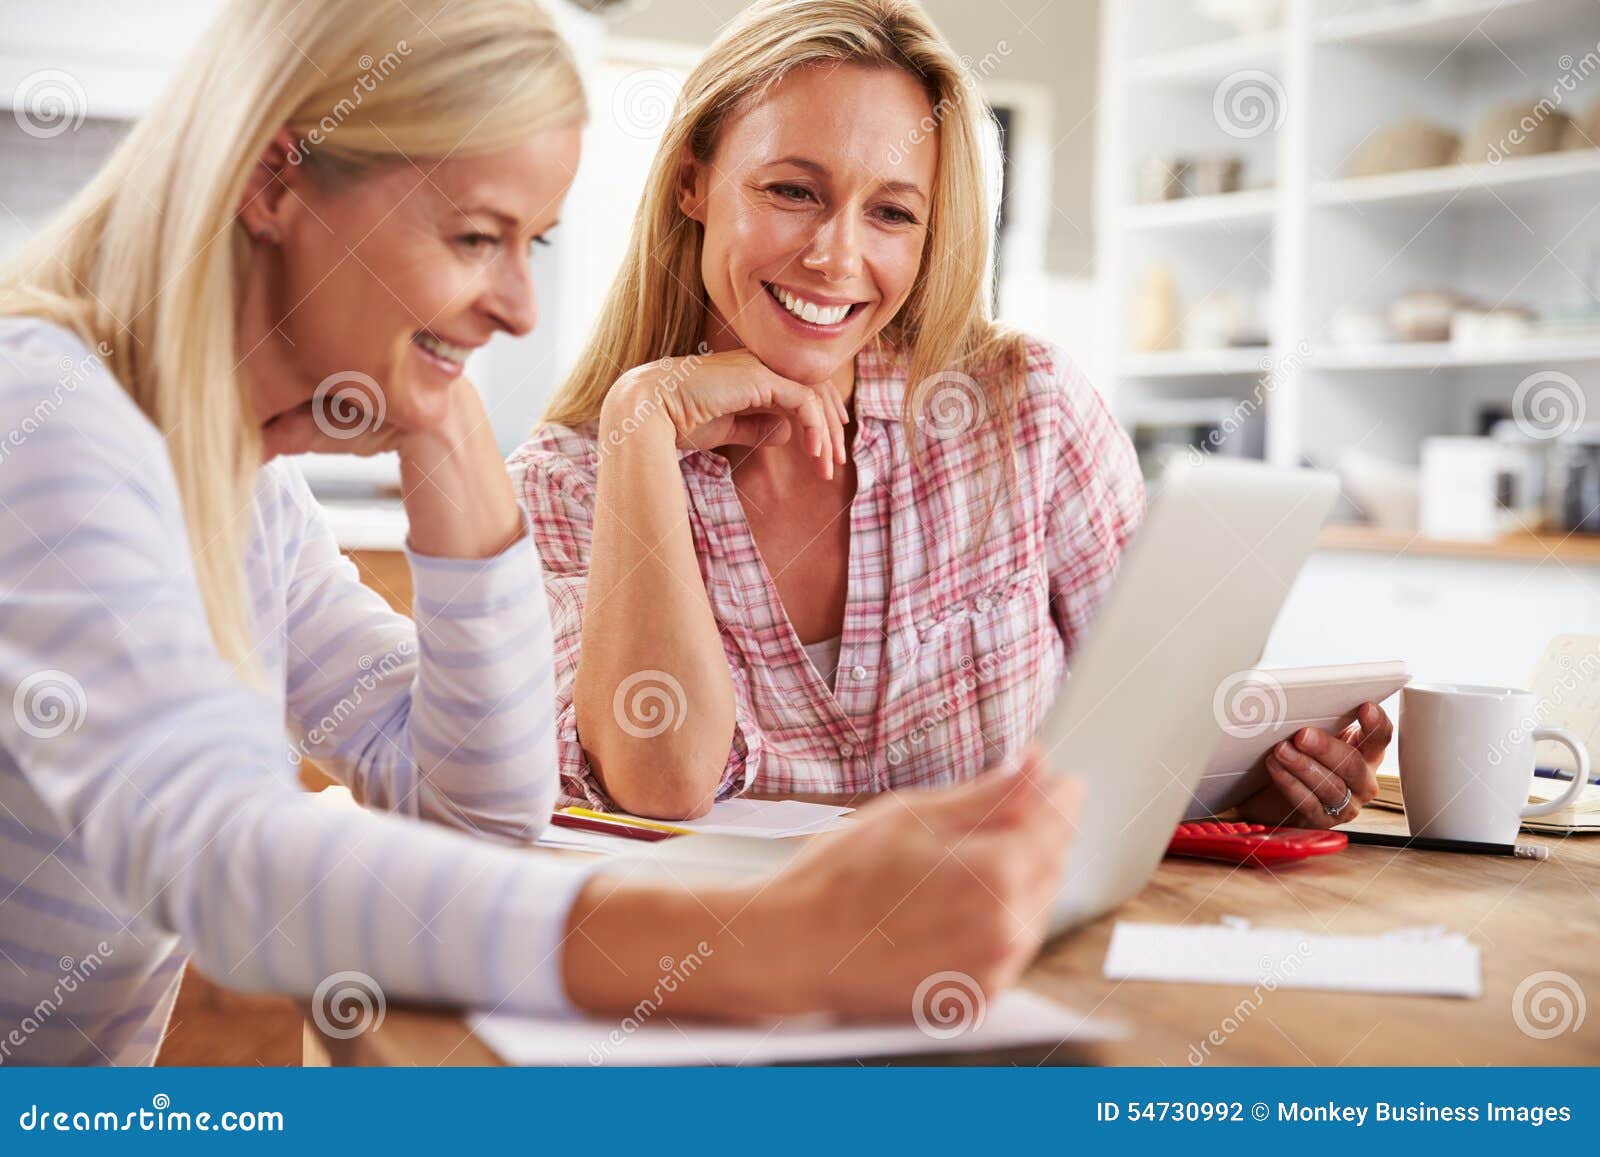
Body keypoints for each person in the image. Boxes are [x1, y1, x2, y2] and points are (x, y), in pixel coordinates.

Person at [0, 0, 1077, 1066]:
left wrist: (444, 427)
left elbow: (469, 801)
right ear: (275, 181)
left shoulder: (236, 482)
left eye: (532, 243)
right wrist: (764, 943)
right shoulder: (46, 416)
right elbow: (223, 857)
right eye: (476, 238)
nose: (518, 306)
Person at [511, 0, 1395, 825]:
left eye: (892, 212)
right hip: (726, 976)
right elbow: (656, 786)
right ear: (692, 184)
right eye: (791, 191)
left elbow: (1155, 744)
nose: (836, 256)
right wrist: (640, 425)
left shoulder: (1027, 412)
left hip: (1017, 962)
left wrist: (1256, 790)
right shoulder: (567, 481)